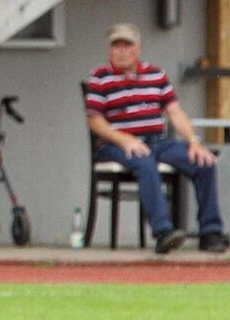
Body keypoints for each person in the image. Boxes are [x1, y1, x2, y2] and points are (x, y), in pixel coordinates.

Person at [83, 22, 229, 254]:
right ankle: (163, 232)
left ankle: (210, 233)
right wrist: (125, 140)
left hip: (156, 140)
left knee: (204, 161)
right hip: (114, 144)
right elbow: (95, 121)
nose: (122, 51)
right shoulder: (99, 77)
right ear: (109, 50)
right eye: (116, 46)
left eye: (127, 45)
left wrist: (193, 141)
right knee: (145, 161)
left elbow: (174, 112)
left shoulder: (156, 74)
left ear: (138, 48)